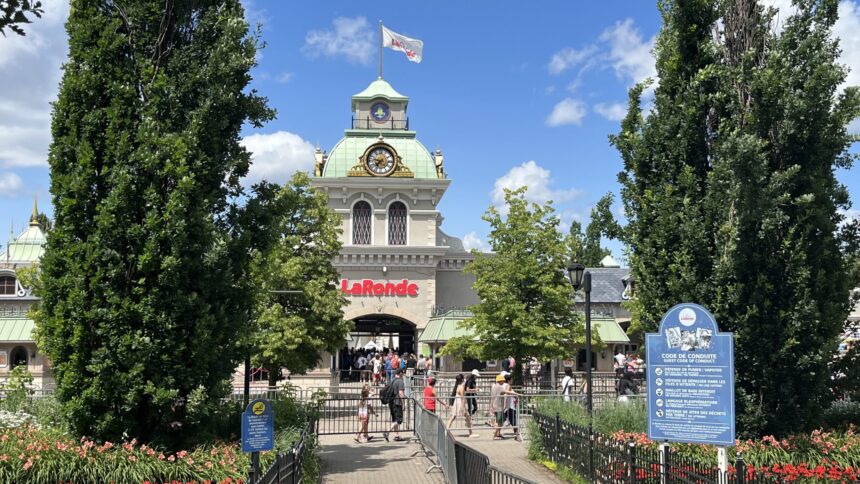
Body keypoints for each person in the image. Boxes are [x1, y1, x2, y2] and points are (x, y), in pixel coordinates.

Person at [383, 368, 407, 442]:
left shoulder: (392, 380)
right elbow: (401, 393)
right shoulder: (400, 381)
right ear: (400, 373)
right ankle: (387, 431)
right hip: (397, 402)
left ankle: (397, 435)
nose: (403, 375)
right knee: (399, 420)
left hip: (391, 402)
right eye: (402, 373)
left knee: (394, 419)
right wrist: (403, 403)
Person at [502, 373, 521, 440]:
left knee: (503, 419)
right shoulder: (508, 386)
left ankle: (497, 432)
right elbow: (506, 395)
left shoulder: (503, 385)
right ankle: (517, 434)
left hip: (506, 406)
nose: (513, 380)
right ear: (509, 380)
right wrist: (504, 404)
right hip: (509, 406)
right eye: (512, 379)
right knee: (513, 419)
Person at [489, 374, 507, 440]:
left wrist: (491, 406)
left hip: (495, 405)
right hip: (499, 406)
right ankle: (495, 435)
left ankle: (498, 434)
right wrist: (517, 394)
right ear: (500, 381)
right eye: (503, 381)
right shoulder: (500, 387)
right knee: (499, 422)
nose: (503, 382)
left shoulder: (493, 386)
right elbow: (506, 392)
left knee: (499, 421)